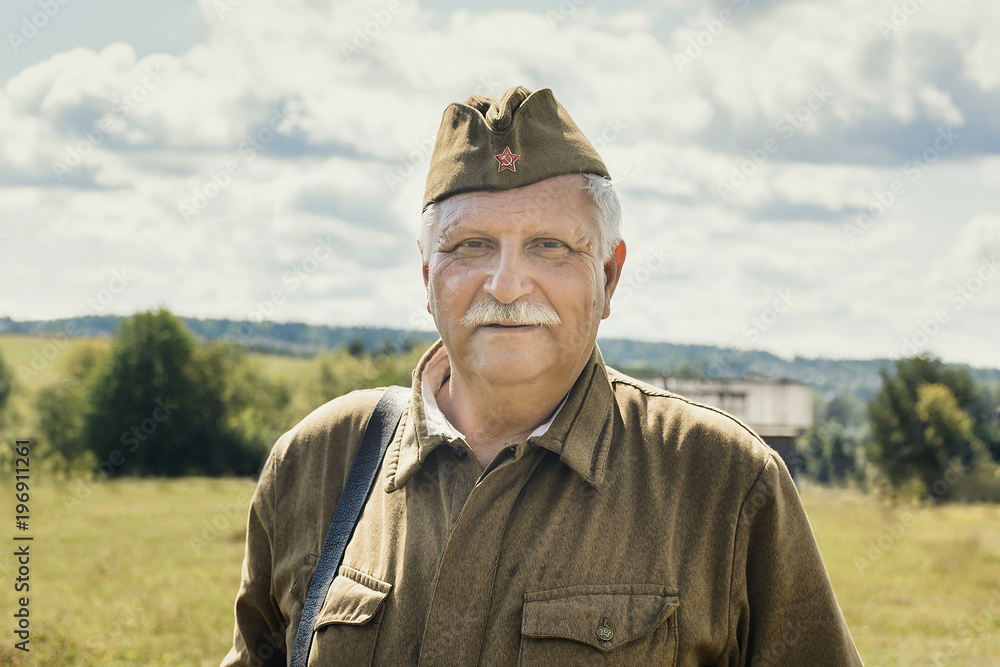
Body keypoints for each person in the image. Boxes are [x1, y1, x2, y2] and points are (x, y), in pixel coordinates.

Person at [222, 86, 864, 666]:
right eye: (470, 246)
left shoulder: (722, 481)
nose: (505, 286)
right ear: (426, 276)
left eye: (550, 246)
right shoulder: (317, 460)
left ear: (608, 277)